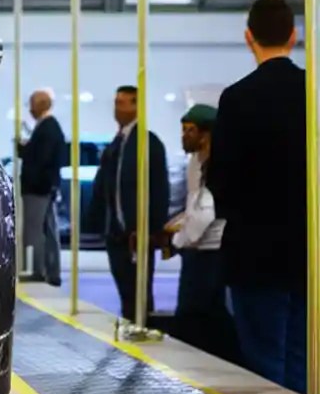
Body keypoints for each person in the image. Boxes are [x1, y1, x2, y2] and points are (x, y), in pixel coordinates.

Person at [206, 0, 307, 393]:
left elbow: (222, 178)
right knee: (301, 358)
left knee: (263, 359)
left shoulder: (236, 98)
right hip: (307, 254)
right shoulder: (313, 93)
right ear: (293, 35)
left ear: (249, 37)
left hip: (254, 251)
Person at [87, 86, 171, 321]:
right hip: (115, 233)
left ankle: (142, 327)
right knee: (125, 290)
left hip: (137, 233)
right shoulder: (116, 143)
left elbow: (159, 189)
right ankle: (129, 324)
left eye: (124, 103)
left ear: (137, 107)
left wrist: (150, 230)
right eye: (116, 102)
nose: (118, 108)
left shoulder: (148, 143)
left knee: (139, 291)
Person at [160, 104, 237, 361]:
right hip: (195, 250)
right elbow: (193, 205)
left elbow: (205, 213)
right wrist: (174, 225)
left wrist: (177, 238)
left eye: (190, 131)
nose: (184, 136)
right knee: (205, 314)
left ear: (206, 134)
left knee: (195, 314)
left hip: (211, 251)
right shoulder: (195, 162)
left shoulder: (219, 164)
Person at [18, 89, 66, 286]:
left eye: (31, 104)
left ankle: (37, 271)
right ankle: (51, 271)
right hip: (46, 187)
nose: (29, 109)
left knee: (35, 231)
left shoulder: (47, 129)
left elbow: (41, 159)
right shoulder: (51, 127)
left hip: (38, 188)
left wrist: (24, 150)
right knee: (49, 230)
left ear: (41, 105)